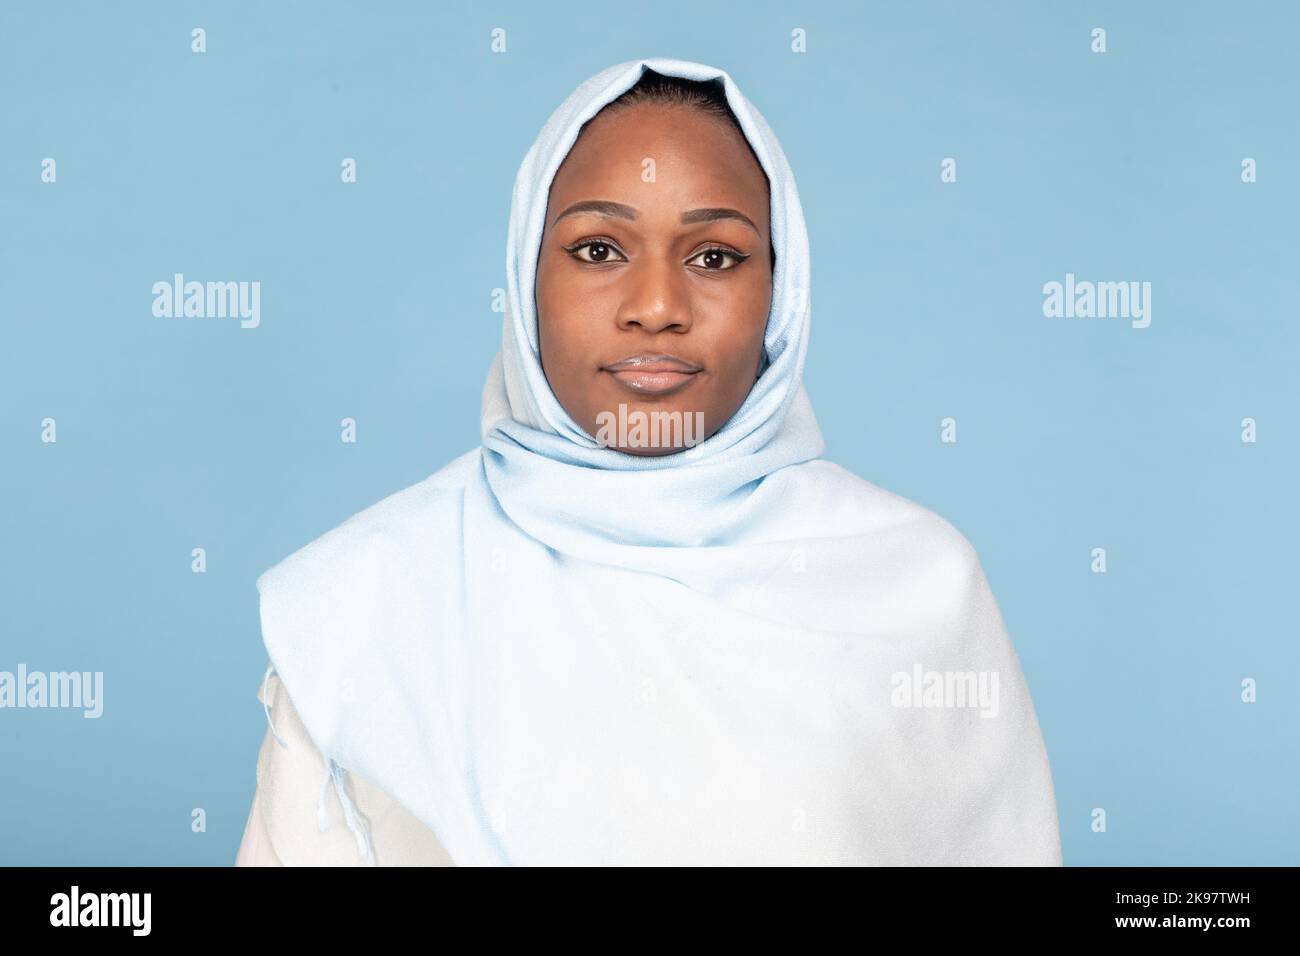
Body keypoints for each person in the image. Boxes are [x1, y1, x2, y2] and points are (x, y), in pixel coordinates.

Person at [236, 57, 1063, 867]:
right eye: (599, 250)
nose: (658, 308)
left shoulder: (915, 585)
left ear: (784, 289)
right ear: (526, 278)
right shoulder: (368, 600)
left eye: (715, 257)